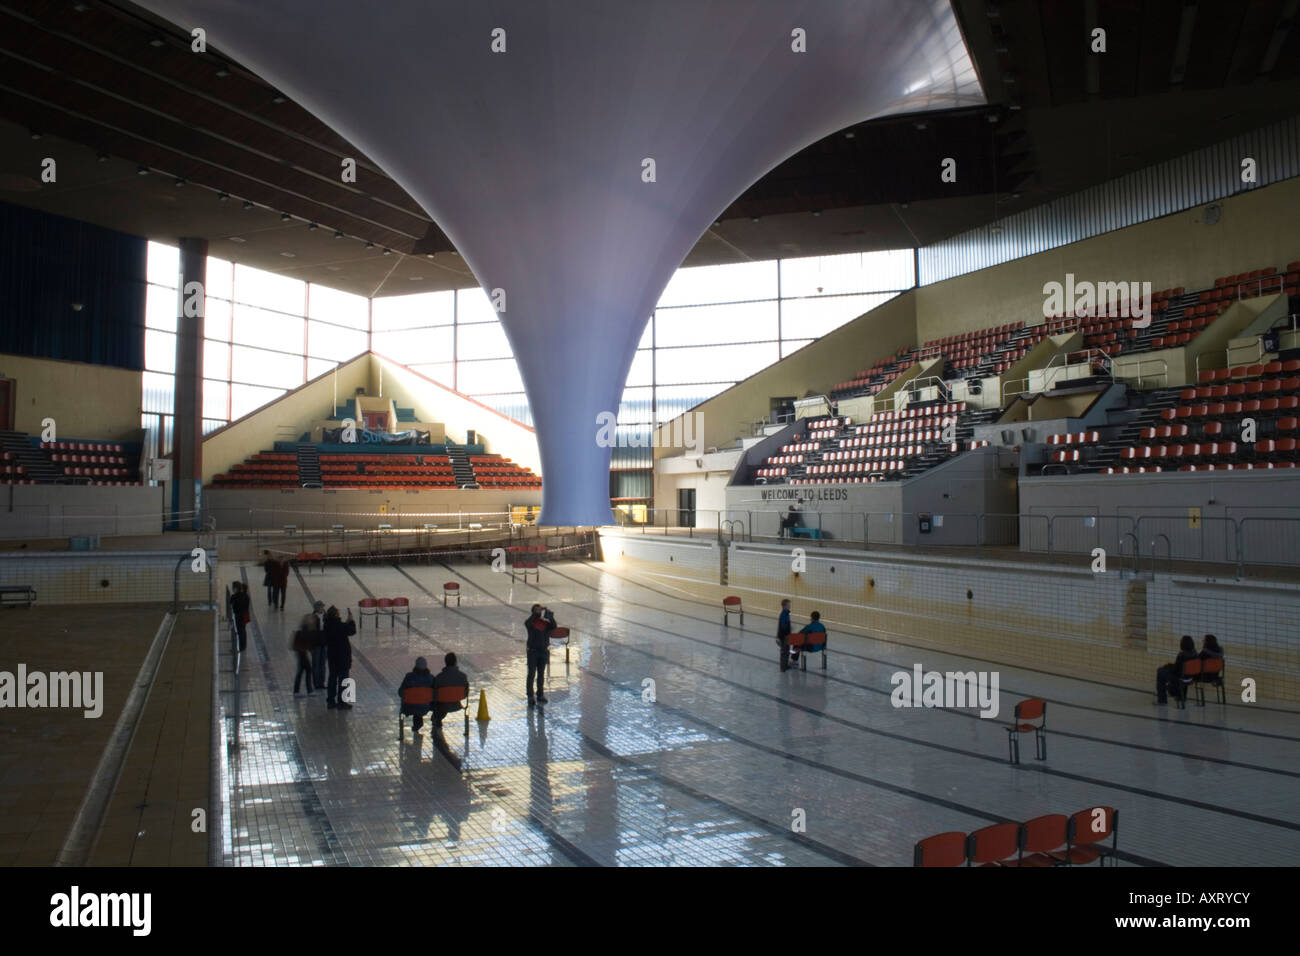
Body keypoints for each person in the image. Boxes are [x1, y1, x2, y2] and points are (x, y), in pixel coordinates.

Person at [323, 605, 356, 709]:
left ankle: (330, 701)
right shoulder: (340, 626)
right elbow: (352, 631)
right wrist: (351, 621)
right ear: (336, 614)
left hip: (332, 657)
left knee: (332, 679)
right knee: (344, 680)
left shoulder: (327, 625)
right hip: (343, 657)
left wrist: (346, 623)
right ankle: (342, 702)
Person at [1155, 634, 1197, 705]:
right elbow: (1181, 668)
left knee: (1160, 671)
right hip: (1190, 678)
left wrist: (1168, 667)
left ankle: (1162, 700)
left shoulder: (1182, 655)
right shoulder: (1195, 654)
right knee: (1183, 674)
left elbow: (1176, 670)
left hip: (1179, 678)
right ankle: (1181, 697)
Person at [524, 604, 553, 707]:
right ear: (533, 612)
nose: (539, 612)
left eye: (540, 610)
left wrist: (549, 615)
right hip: (533, 652)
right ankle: (530, 696)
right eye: (537, 610)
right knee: (531, 674)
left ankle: (540, 694)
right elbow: (528, 623)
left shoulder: (545, 623)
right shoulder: (530, 623)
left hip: (543, 652)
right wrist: (535, 613)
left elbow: (553, 626)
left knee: (541, 674)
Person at [398, 657, 435, 732]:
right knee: (420, 702)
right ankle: (420, 724)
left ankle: (417, 724)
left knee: (416, 702)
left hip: (410, 707)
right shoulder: (430, 678)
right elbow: (436, 693)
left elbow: (400, 692)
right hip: (426, 706)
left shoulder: (409, 677)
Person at [432, 652, 469, 726]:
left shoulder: (439, 678)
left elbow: (434, 694)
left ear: (445, 662)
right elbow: (466, 692)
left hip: (443, 706)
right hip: (457, 705)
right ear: (455, 662)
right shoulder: (463, 676)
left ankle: (436, 722)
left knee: (440, 705)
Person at [292, 613, 319, 696]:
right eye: (311, 619)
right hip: (301, 652)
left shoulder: (306, 628)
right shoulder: (305, 629)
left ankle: (298, 691)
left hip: (302, 652)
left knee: (302, 671)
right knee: (307, 670)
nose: (312, 620)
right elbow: (307, 639)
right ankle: (307, 690)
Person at [310, 600, 328, 688]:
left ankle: (322, 682)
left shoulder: (326, 616)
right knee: (315, 664)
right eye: (320, 607)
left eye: (322, 606)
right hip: (316, 644)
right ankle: (316, 683)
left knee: (323, 664)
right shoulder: (312, 617)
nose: (322, 608)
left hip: (324, 643)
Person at [229, 581, 250, 654]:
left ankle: (241, 647)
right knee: (243, 630)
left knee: (240, 631)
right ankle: (243, 646)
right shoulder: (245, 595)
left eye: (233, 588)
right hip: (245, 615)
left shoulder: (235, 596)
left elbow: (231, 603)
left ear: (236, 588)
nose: (232, 589)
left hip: (239, 616)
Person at [776, 598, 793, 671]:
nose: (789, 606)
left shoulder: (786, 613)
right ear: (784, 606)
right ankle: (783, 667)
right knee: (784, 652)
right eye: (788, 605)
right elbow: (783, 626)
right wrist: (787, 630)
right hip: (784, 636)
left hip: (786, 635)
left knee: (787, 651)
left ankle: (785, 665)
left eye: (789, 605)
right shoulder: (784, 614)